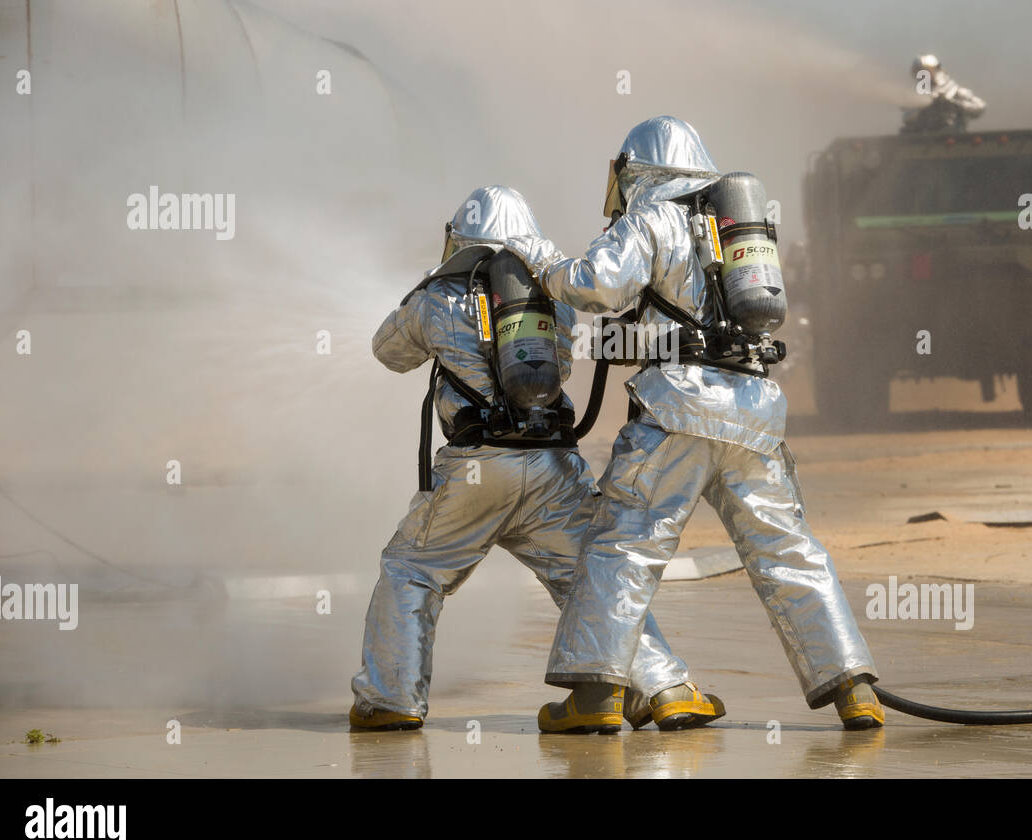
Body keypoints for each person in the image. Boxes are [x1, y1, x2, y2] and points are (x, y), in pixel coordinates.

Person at [503, 117, 884, 734]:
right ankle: (854, 688)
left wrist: (542, 261)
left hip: (678, 409)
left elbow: (595, 287)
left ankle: (597, 698)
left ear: (639, 170)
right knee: (787, 551)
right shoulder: (731, 222)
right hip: (754, 413)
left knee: (623, 544)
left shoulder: (651, 217)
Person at [349, 185, 723, 733]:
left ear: (459, 239)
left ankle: (390, 699)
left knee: (412, 570)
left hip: (477, 469)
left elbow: (388, 352)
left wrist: (425, 296)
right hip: (553, 468)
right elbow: (561, 364)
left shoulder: (437, 298)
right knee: (594, 581)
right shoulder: (556, 298)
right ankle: (664, 688)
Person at [900, 54, 986, 133]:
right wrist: (921, 109)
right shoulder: (916, 96)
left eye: (925, 71)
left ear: (936, 69)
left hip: (953, 137)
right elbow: (906, 117)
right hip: (923, 138)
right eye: (918, 72)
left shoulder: (955, 91)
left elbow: (980, 107)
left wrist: (955, 104)